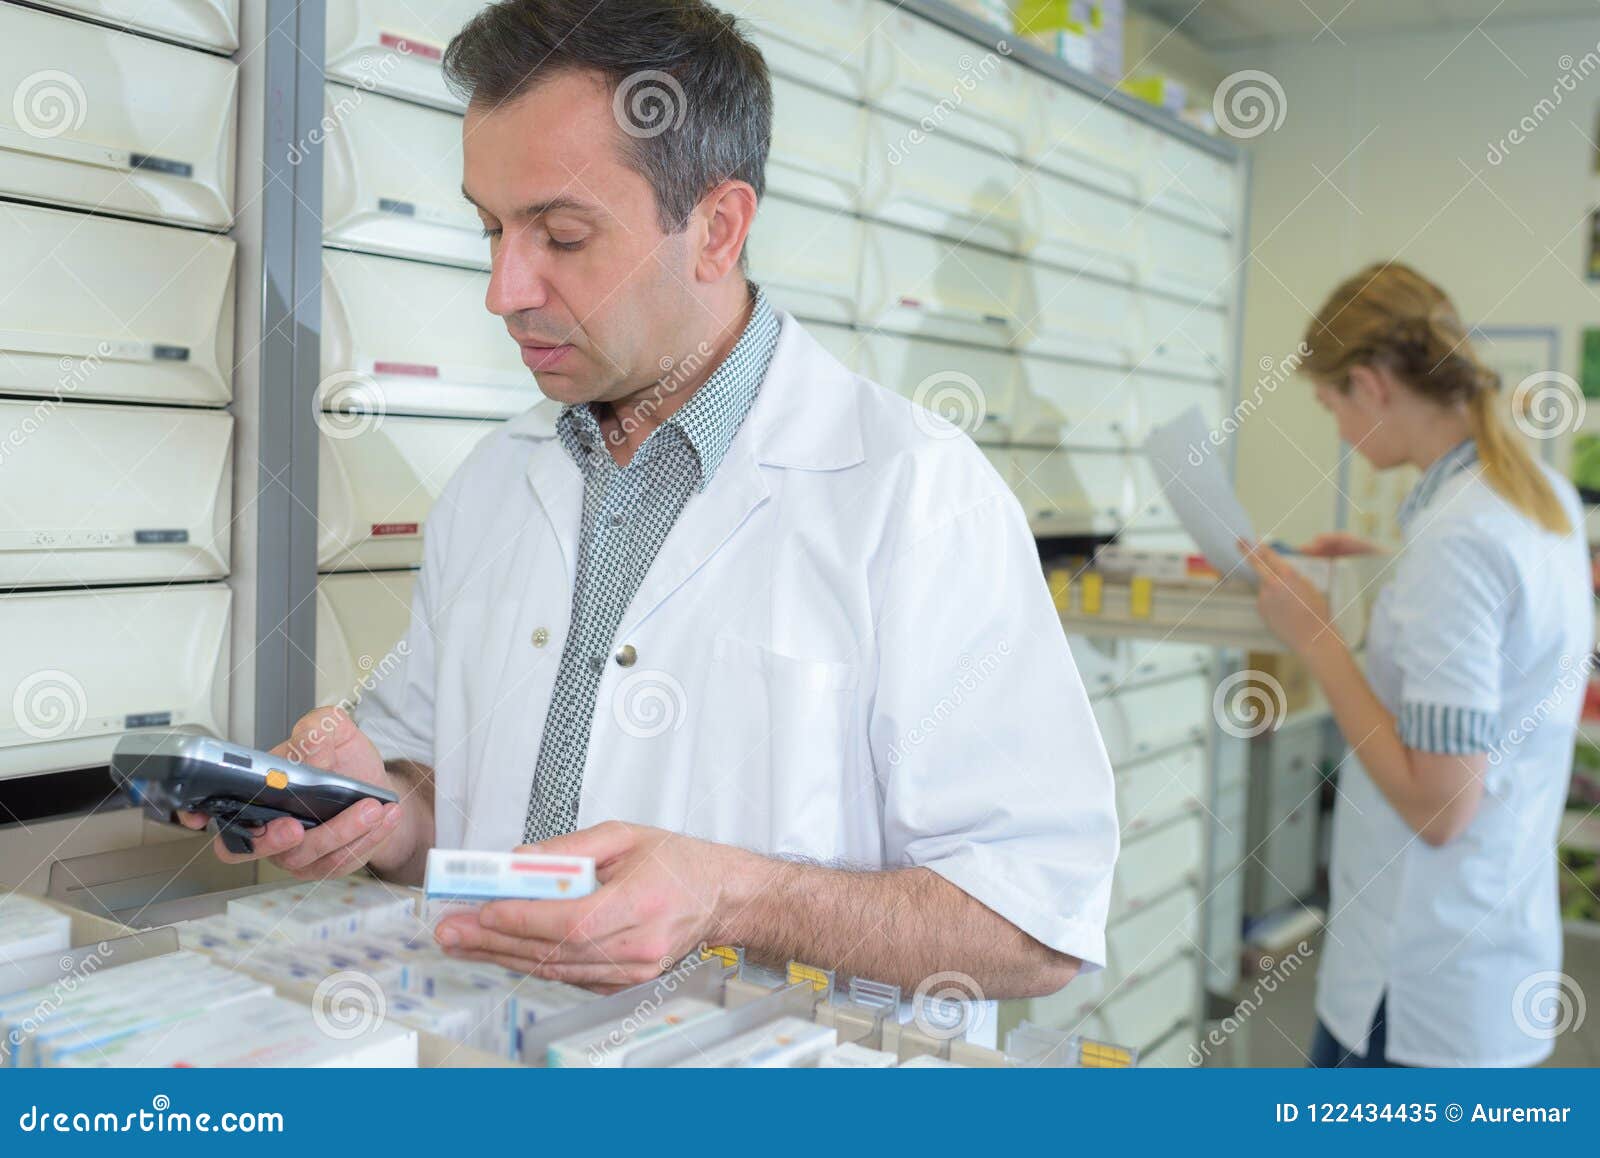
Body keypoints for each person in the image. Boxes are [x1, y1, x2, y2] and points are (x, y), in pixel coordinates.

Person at [182, 0, 1119, 1014]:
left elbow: (1035, 922)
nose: (504, 288)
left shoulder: (914, 494)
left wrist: (730, 896)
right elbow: (454, 806)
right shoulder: (495, 485)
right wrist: (384, 814)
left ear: (717, 228)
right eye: (492, 228)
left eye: (563, 234)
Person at [1242, 263, 1591, 1066]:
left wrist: (1319, 642)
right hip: (1485, 957)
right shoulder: (1534, 493)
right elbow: (1502, 639)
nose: (1337, 430)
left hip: (1417, 993)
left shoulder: (1458, 540)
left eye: (1332, 405)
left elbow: (1441, 807)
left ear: (1369, 386)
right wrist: (1384, 571)